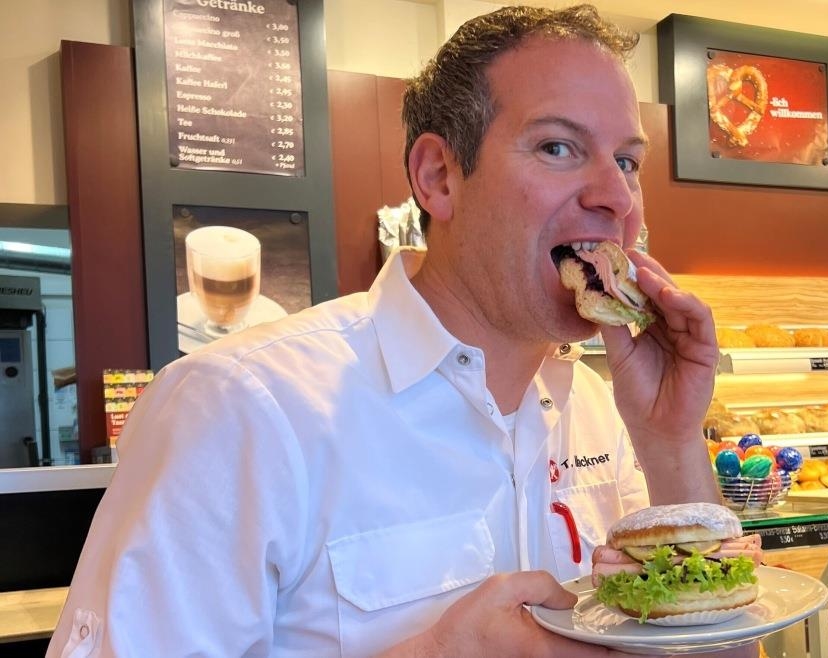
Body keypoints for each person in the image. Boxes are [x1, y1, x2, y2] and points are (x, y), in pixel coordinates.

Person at [48, 6, 762, 657]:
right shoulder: (238, 407)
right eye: (557, 148)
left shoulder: (602, 413)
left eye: (628, 162)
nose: (615, 197)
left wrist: (671, 444)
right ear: (439, 177)